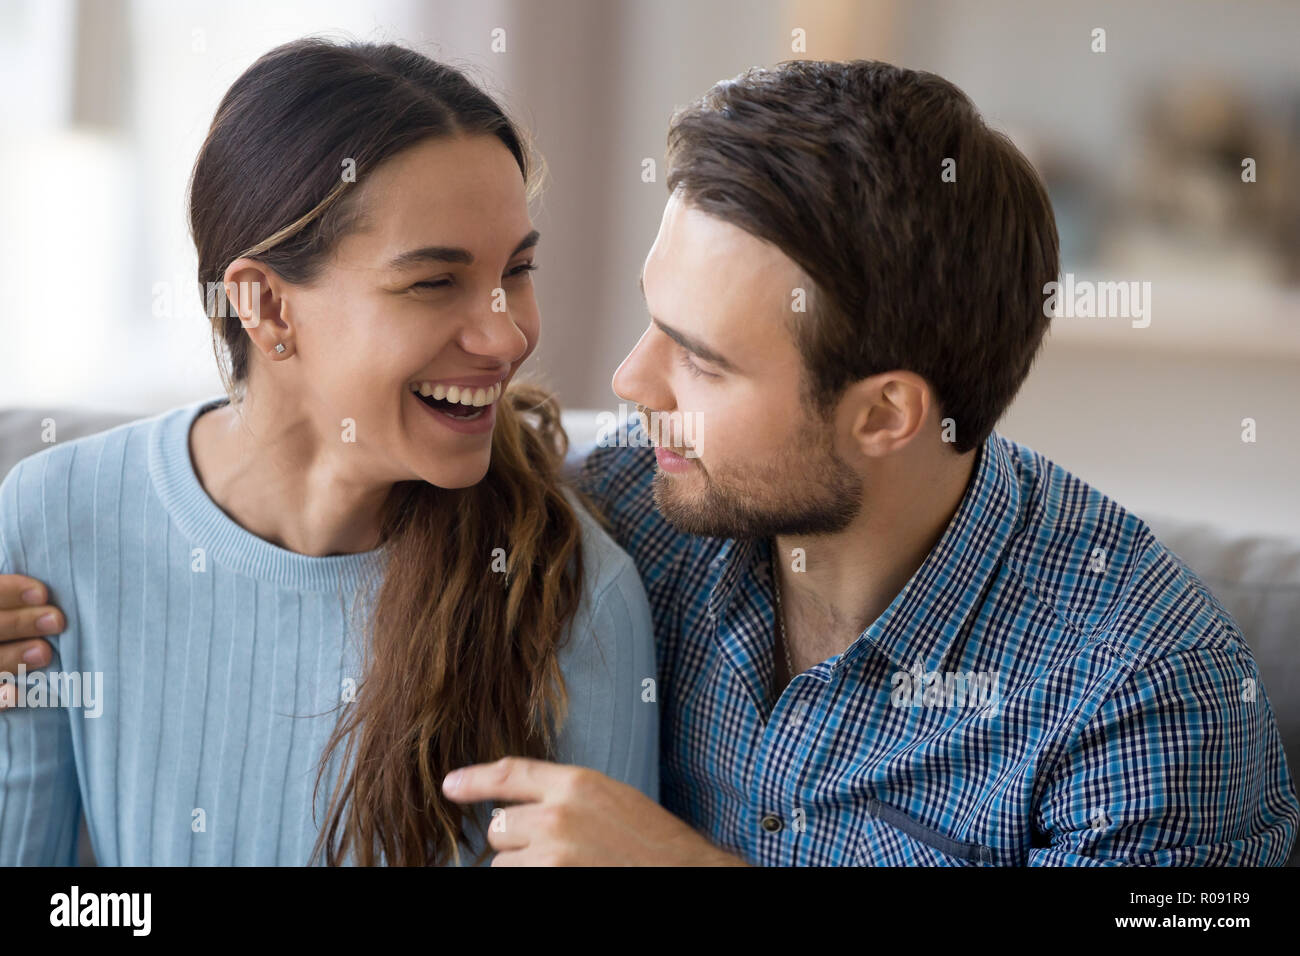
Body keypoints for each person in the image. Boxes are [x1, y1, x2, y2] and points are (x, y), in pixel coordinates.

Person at [8, 59, 1299, 868]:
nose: (622, 385)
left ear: (888, 414)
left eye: (702, 360)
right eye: (647, 314)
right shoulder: (620, 505)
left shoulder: (1147, 691)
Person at [0, 38, 657, 866]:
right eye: (434, 281)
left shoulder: (571, 592)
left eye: (516, 269)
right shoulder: (55, 517)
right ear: (268, 308)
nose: (508, 332)